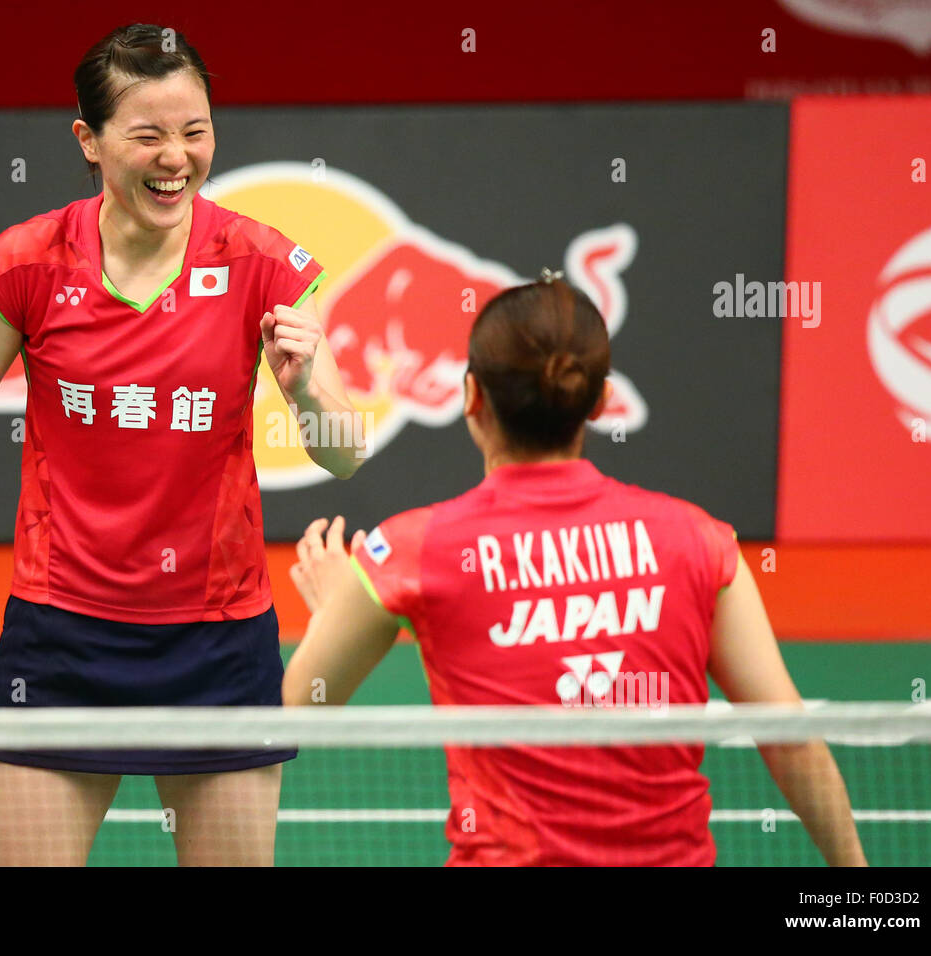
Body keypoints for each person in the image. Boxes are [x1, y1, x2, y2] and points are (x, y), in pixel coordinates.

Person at [0, 23, 363, 866]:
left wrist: (308, 390)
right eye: (150, 135)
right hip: (61, 638)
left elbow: (345, 452)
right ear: (89, 142)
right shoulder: (25, 267)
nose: (177, 157)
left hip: (217, 638)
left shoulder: (264, 265)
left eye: (195, 131)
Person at [284, 272, 866, 866]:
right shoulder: (696, 539)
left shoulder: (412, 549)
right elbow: (788, 737)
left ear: (471, 396)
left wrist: (336, 611)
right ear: (599, 399)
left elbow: (298, 712)